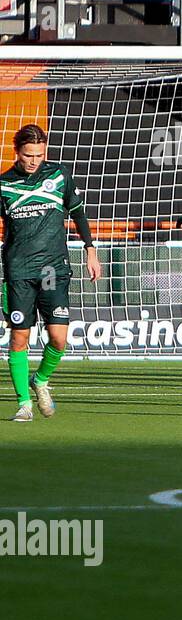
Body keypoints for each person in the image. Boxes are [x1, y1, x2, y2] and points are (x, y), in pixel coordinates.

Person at [2, 124, 102, 422]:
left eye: (39, 154)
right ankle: (23, 403)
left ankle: (40, 379)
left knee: (59, 338)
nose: (34, 160)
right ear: (16, 152)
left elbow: (78, 211)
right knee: (19, 337)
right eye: (28, 155)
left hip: (52, 269)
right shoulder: (4, 184)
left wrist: (90, 249)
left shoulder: (58, 174)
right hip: (18, 271)